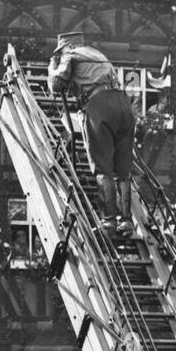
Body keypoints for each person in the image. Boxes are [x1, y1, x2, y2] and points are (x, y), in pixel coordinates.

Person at [47, 32, 135, 235]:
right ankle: (127, 221)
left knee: (102, 168)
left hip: (100, 105)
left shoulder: (71, 55)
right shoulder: (96, 53)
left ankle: (109, 222)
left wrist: (52, 66)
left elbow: (55, 84)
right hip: (123, 104)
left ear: (66, 47)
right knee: (123, 169)